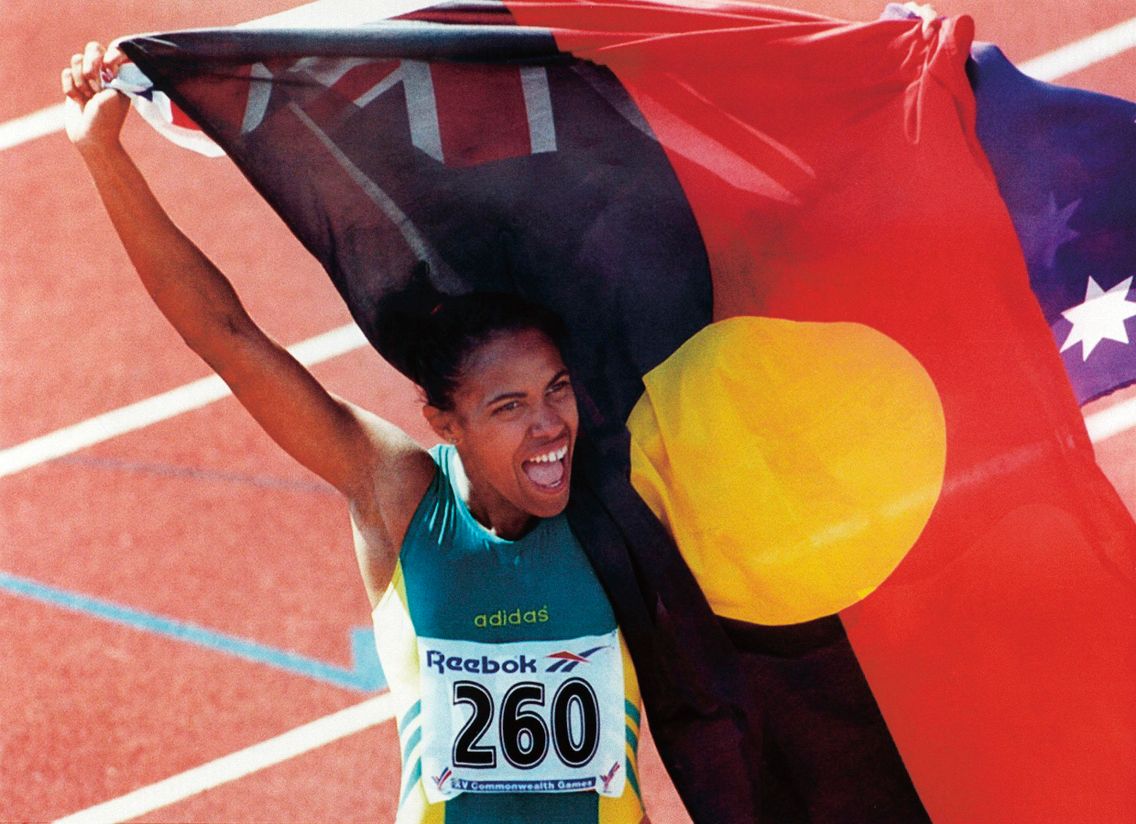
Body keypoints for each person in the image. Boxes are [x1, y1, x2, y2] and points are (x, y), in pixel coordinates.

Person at [63, 41, 648, 824]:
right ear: (444, 421)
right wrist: (102, 156)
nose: (549, 427)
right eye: (508, 406)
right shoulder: (403, 498)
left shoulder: (621, 494)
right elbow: (229, 337)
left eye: (558, 390)